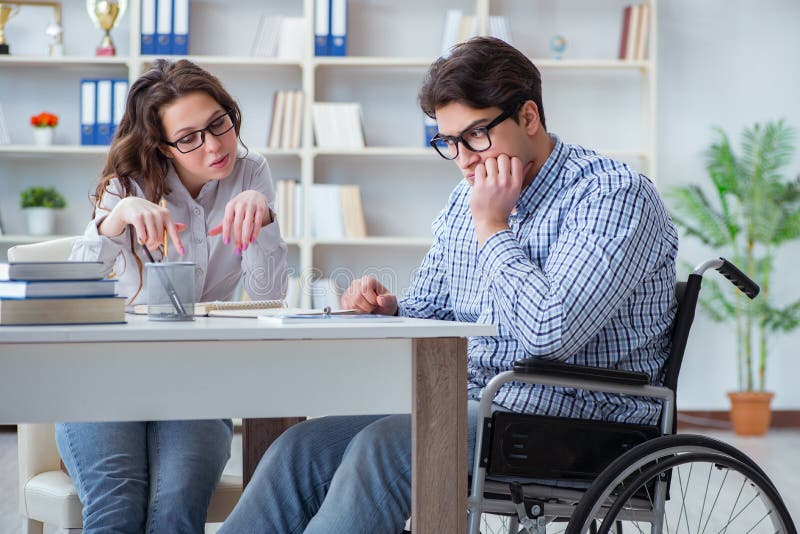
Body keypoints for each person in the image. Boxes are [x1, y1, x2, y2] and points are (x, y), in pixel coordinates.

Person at [219, 36, 678, 533]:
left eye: (476, 135)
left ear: (528, 117)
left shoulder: (611, 195)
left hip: (580, 422)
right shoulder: (467, 201)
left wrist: (494, 229)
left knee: (387, 447)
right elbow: (434, 310)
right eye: (449, 142)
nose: (462, 160)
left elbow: (550, 331)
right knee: (299, 450)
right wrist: (389, 310)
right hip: (475, 405)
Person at [57, 59, 287, 533]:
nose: (215, 145)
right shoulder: (128, 181)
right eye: (189, 138)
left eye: (218, 123)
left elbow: (268, 297)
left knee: (177, 511)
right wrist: (114, 219)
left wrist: (263, 224)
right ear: (162, 145)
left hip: (194, 381)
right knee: (117, 509)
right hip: (104, 377)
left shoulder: (251, 173)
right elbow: (74, 287)